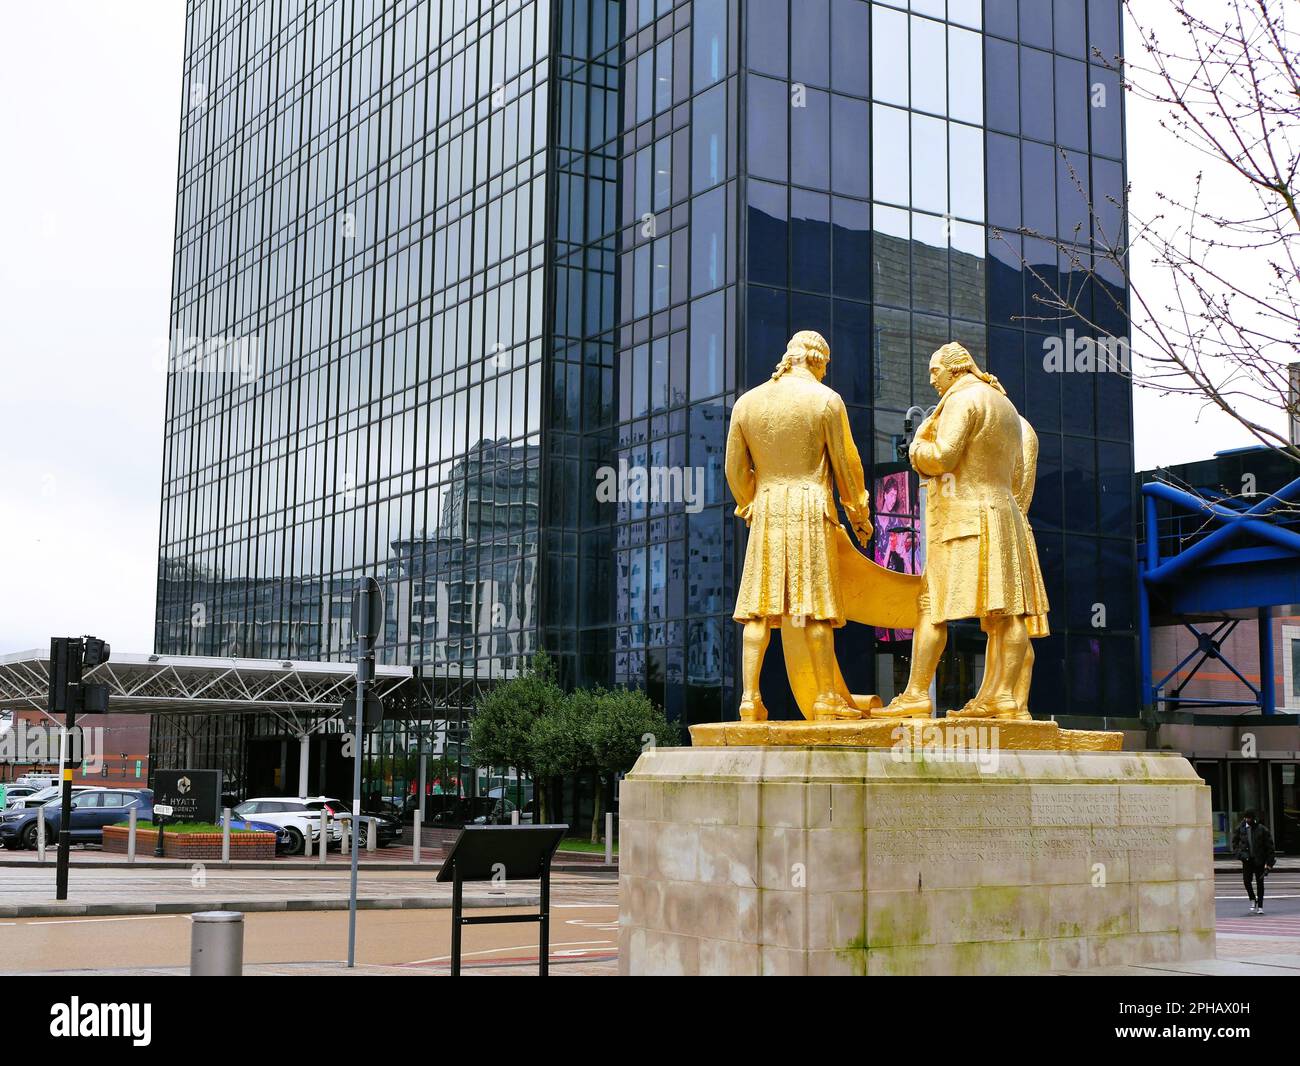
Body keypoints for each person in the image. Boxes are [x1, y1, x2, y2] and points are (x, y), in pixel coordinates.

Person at [725, 330, 872, 721]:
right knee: (816, 608)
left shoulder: (747, 403)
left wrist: (750, 504)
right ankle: (826, 697)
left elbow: (734, 469)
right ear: (818, 360)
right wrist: (859, 515)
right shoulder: (826, 400)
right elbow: (847, 465)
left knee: (757, 610)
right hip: (811, 508)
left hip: (769, 508)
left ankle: (749, 699)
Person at [1231, 809, 1276, 914]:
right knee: (1246, 881)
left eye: (1250, 818)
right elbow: (1235, 843)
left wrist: (1269, 864)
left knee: (1260, 883)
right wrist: (1240, 854)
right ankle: (1252, 899)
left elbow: (1269, 847)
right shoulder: (1240, 829)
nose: (1248, 820)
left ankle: (1260, 906)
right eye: (1246, 818)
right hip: (1247, 860)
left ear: (1253, 818)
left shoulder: (1262, 829)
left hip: (1259, 860)